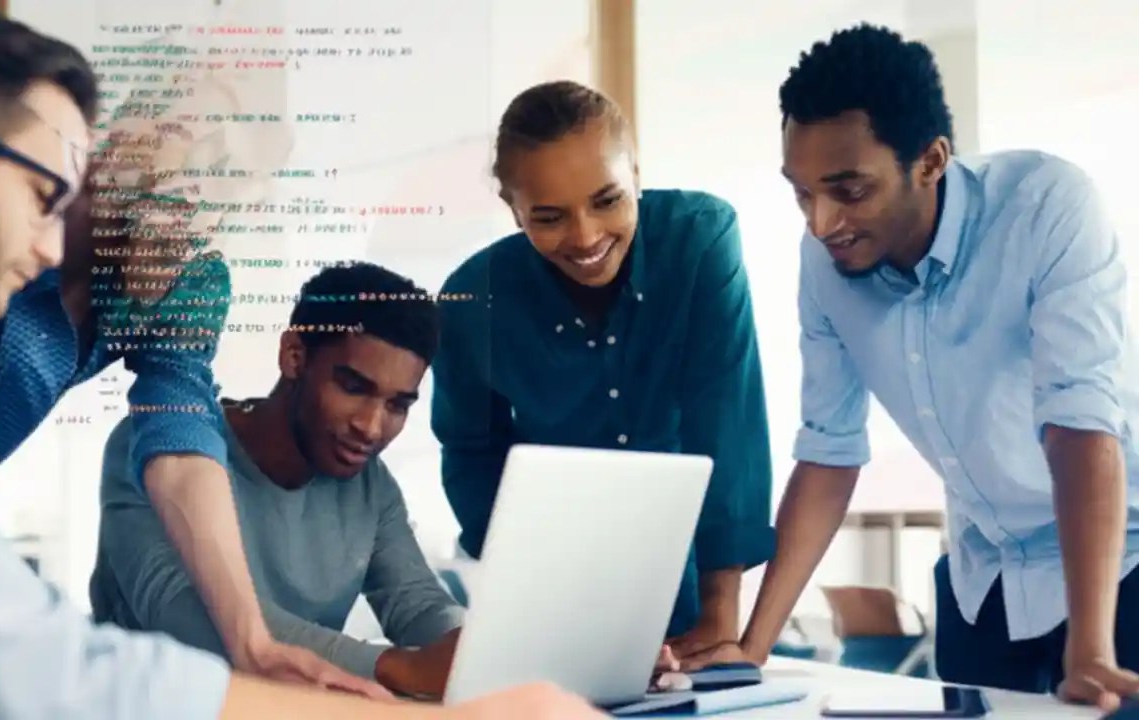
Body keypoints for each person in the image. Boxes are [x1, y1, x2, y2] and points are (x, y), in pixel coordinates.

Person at [0, 6, 605, 720]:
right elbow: (28, 647)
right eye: (206, 157)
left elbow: (179, 432)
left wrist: (254, 640)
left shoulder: (180, 279)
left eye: (237, 189)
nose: (209, 206)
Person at [737, 23, 1139, 713]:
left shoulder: (1046, 206)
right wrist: (750, 654)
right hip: (984, 577)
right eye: (802, 193)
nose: (821, 222)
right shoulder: (825, 264)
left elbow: (1078, 424)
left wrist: (1092, 646)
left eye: (849, 191)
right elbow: (829, 453)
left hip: (1120, 563)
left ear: (930, 159)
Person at [431, 79, 775, 673]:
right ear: (512, 207)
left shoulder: (701, 240)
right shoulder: (471, 302)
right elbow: (470, 456)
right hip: (558, 590)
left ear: (636, 173)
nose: (586, 236)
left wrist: (721, 612)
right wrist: (536, 592)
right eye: (548, 216)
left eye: (608, 199)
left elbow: (727, 420)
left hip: (697, 575)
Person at [92, 262, 469, 700]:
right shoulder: (156, 446)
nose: (371, 426)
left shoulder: (371, 485)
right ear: (294, 356)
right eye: (352, 387)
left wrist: (467, 649)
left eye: (397, 406)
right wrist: (397, 667)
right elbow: (182, 611)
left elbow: (419, 603)